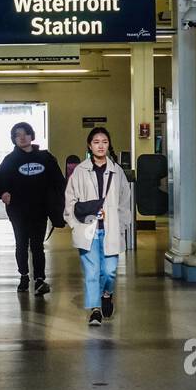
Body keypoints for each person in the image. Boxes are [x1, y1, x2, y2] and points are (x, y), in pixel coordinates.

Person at [64, 126, 132, 327]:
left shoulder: (116, 171)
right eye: (96, 142)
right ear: (89, 145)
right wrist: (74, 225)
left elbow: (124, 202)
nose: (100, 146)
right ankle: (95, 311)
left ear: (109, 144)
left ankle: (107, 293)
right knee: (92, 272)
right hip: (88, 229)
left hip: (111, 229)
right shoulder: (80, 171)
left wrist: (122, 226)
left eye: (104, 142)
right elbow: (70, 199)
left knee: (110, 271)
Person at [0, 122, 65, 294]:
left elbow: (58, 181)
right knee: (21, 243)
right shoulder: (9, 160)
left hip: (40, 209)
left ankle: (40, 279)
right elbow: (0, 181)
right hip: (18, 210)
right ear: (13, 139)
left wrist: (58, 203)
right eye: (18, 134)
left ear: (31, 135)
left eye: (25, 133)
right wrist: (3, 193)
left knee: (37, 245)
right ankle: (24, 276)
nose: (22, 137)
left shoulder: (45, 157)